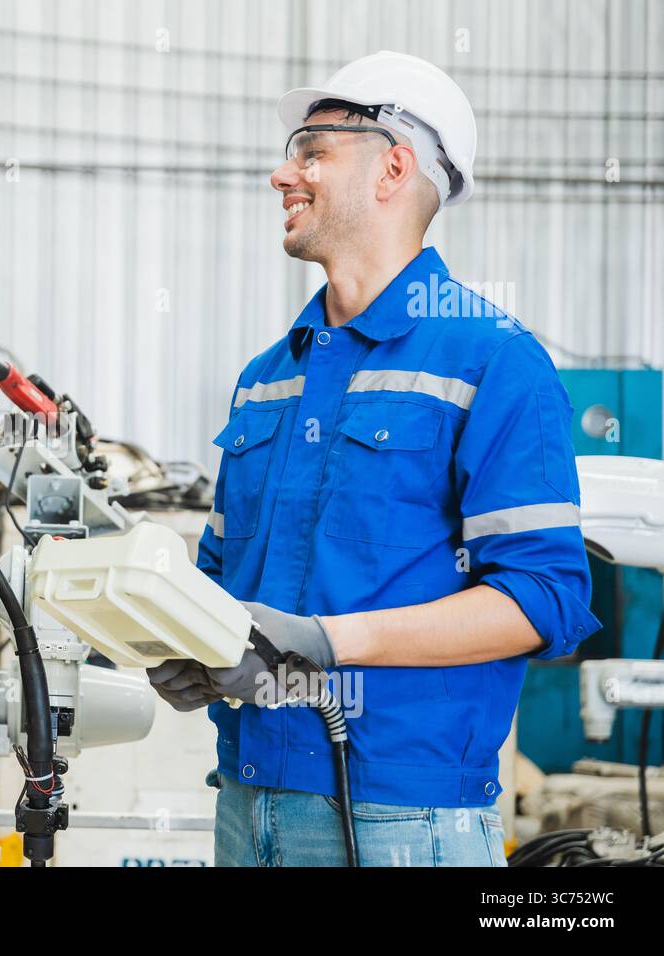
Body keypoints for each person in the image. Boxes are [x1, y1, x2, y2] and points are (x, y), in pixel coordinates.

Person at [148, 52, 600, 867]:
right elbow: (220, 575)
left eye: (312, 150)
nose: (282, 173)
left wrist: (329, 641)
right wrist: (193, 642)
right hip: (246, 802)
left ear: (394, 166)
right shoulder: (267, 377)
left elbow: (543, 599)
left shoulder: (492, 361)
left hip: (405, 822)